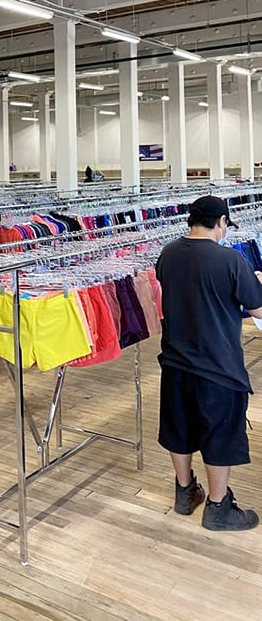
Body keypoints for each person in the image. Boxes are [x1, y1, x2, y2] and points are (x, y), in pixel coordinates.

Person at [155, 195, 262, 531]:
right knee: (220, 434)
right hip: (218, 365)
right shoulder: (231, 260)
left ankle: (185, 492)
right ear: (221, 223)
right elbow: (257, 309)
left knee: (179, 428)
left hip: (175, 360)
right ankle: (218, 508)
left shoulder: (167, 254)